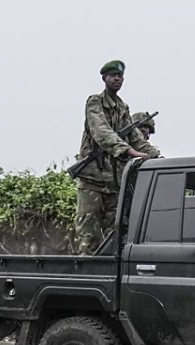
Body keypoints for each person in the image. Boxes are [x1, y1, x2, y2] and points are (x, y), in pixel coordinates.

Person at [74, 60, 161, 254]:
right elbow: (102, 132)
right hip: (93, 180)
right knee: (89, 236)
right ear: (104, 78)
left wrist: (156, 156)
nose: (117, 79)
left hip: (114, 182)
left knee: (115, 234)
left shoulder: (123, 108)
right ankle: (87, 275)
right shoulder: (95, 102)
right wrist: (129, 152)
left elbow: (137, 139)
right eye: (113, 75)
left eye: (120, 76)